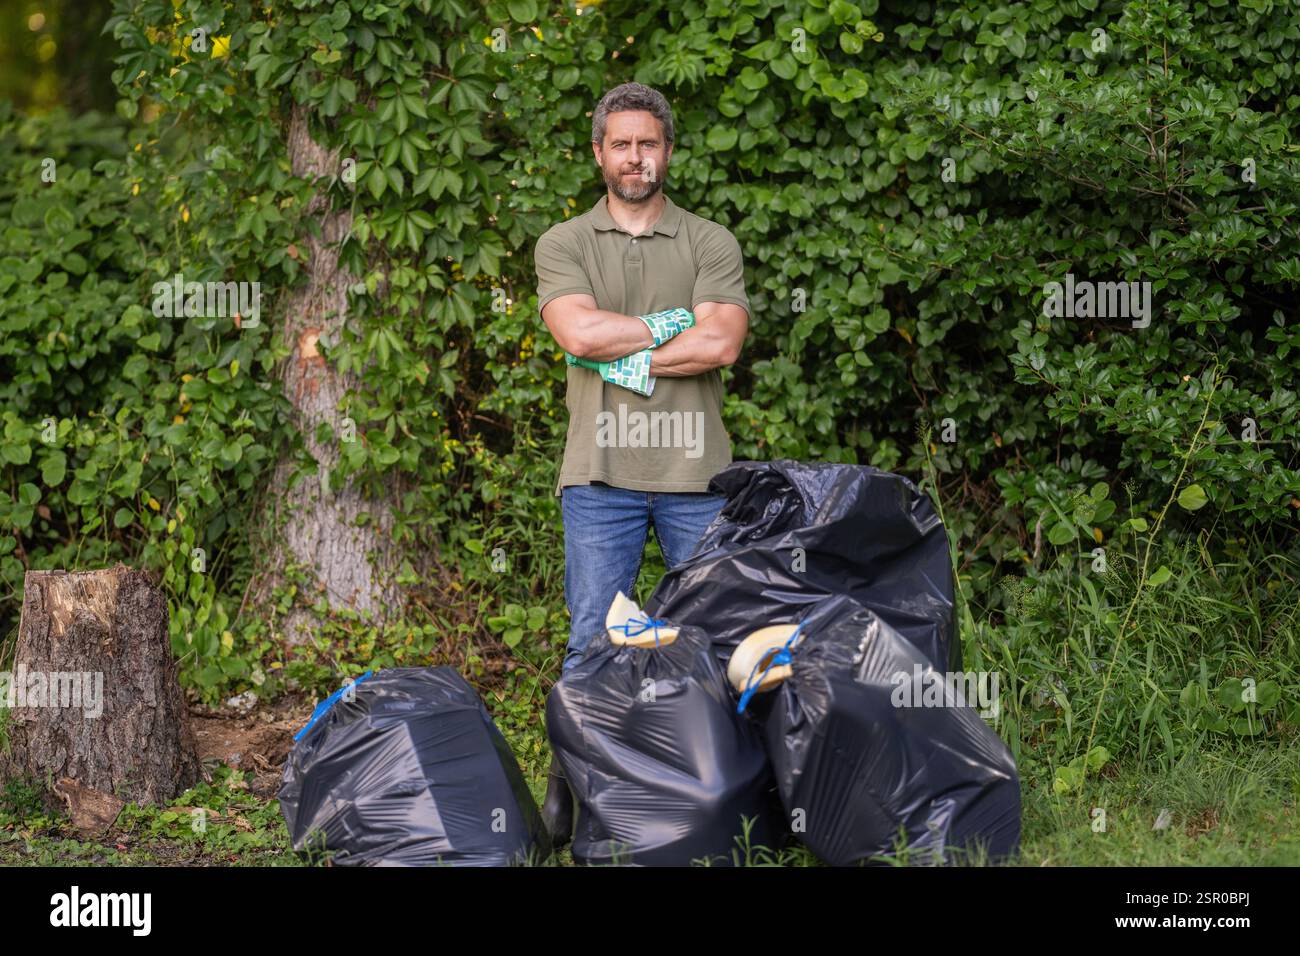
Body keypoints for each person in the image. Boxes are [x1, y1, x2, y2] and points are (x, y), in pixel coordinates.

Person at [533, 82, 751, 845]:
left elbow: (721, 343)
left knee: (718, 642)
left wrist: (622, 342)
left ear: (668, 151)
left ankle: (721, 808)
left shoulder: (709, 241)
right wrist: (669, 330)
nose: (635, 157)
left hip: (698, 478)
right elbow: (578, 336)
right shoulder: (563, 243)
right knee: (592, 646)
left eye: (648, 143)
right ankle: (578, 808)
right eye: (621, 144)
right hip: (600, 476)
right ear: (599, 152)